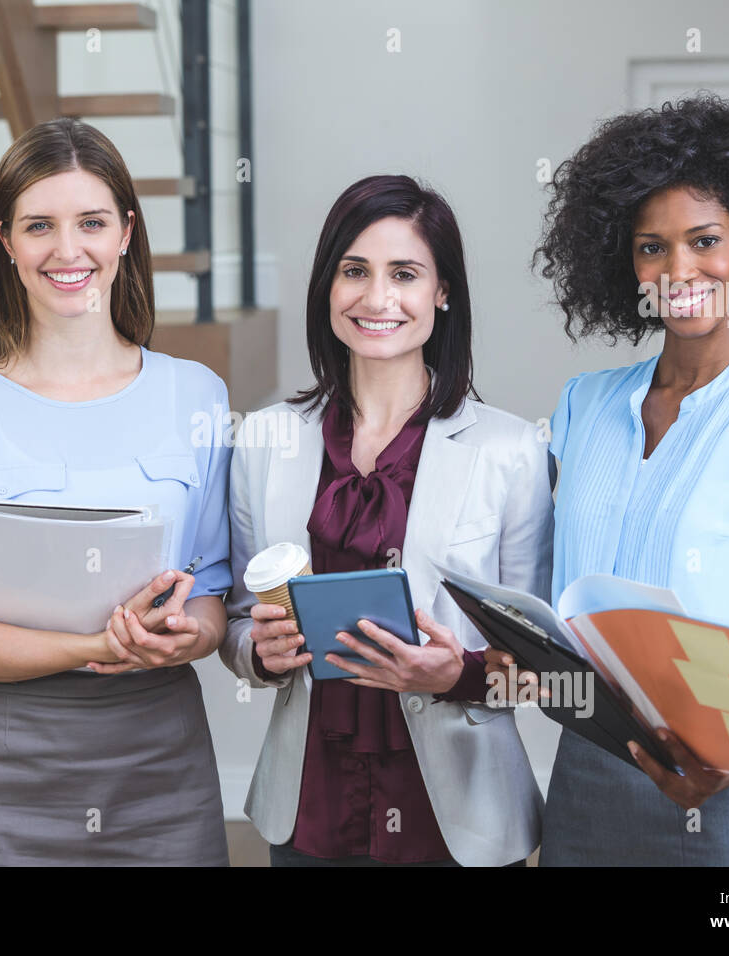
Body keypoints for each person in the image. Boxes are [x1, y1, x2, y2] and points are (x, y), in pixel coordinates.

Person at [528, 94, 729, 865]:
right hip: (586, 775)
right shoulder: (582, 405)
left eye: (705, 241)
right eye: (652, 248)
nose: (679, 271)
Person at [0, 117, 232, 866]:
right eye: (39, 225)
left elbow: (213, 594)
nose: (67, 249)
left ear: (125, 234)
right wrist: (96, 644)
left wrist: (193, 634)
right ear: (6, 242)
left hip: (162, 762)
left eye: (91, 222)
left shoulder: (198, 397)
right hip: (5, 773)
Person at [219, 175, 551, 867]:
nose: (377, 299)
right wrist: (260, 652)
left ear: (443, 292)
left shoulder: (513, 451)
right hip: (310, 803)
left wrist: (452, 674)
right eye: (354, 272)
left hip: (459, 818)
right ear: (327, 288)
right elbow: (239, 619)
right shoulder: (264, 440)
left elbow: (541, 666)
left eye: (404, 274)